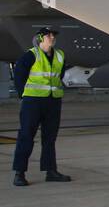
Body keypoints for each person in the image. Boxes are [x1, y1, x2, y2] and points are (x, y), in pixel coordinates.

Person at [12, 27, 72, 186]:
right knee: (26, 136)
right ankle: (19, 173)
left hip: (53, 102)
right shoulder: (31, 55)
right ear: (40, 38)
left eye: (53, 35)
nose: (52, 37)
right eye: (49, 35)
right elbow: (19, 75)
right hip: (33, 102)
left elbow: (60, 75)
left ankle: (50, 171)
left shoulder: (60, 55)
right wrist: (23, 95)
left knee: (50, 138)